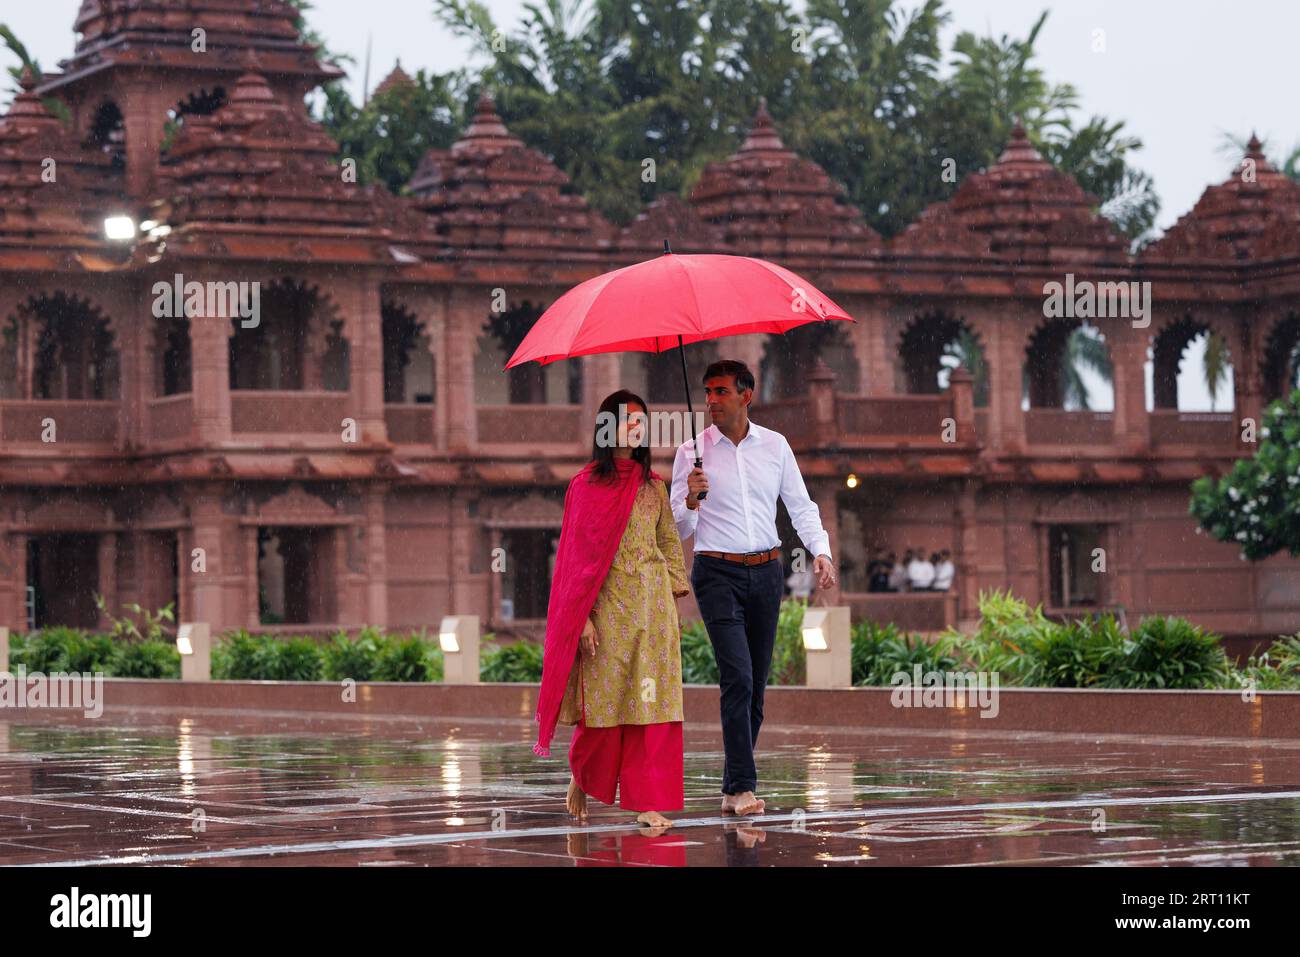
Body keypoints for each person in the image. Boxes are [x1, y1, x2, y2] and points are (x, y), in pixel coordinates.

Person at [671, 359, 834, 817]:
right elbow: (678, 527)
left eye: (721, 391)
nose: (711, 401)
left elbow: (800, 506)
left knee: (756, 688)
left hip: (767, 572)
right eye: (707, 392)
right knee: (737, 677)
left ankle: (730, 785)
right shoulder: (690, 454)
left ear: (746, 395)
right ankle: (743, 787)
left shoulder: (776, 446)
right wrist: (689, 498)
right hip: (715, 572)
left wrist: (820, 550)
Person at [534, 389, 690, 829]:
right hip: (605, 612)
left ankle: (648, 801)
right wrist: (580, 617)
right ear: (606, 428)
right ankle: (583, 778)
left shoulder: (654, 488)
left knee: (653, 707)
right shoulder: (585, 487)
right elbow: (572, 563)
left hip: (653, 611)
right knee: (604, 707)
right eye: (625, 421)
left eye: (641, 421)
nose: (634, 428)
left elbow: (667, 545)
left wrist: (674, 596)